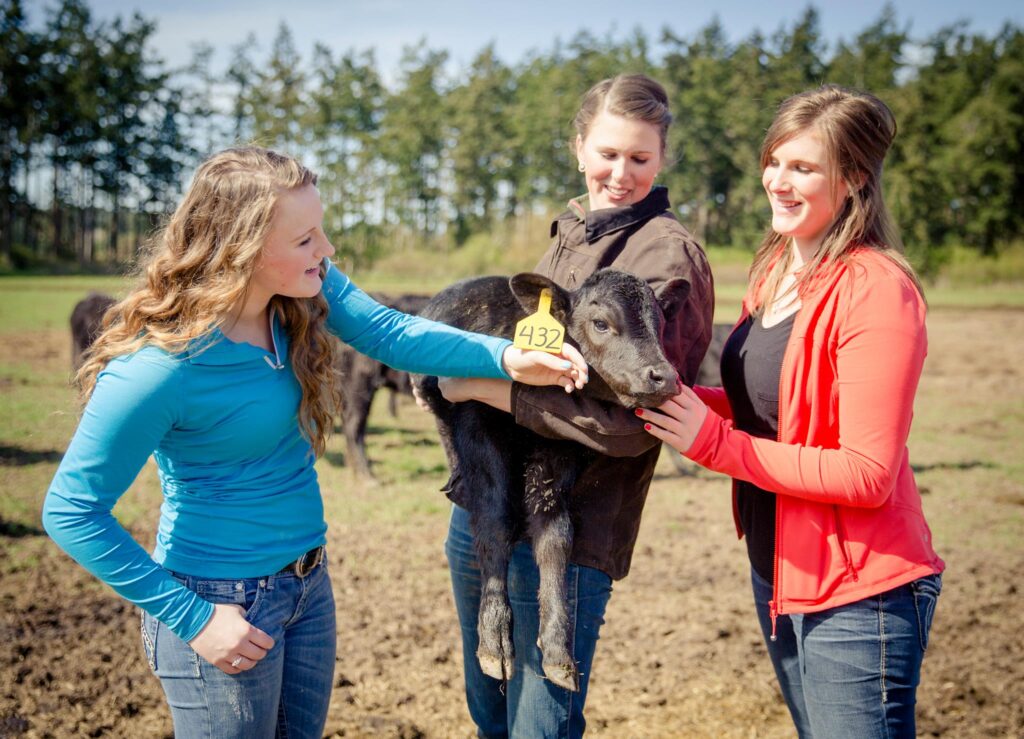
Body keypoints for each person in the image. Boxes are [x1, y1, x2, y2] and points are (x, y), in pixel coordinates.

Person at [41, 146, 590, 739]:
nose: (325, 250)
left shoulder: (303, 296)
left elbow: (391, 331)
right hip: (218, 605)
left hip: (306, 590)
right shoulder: (159, 369)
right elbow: (71, 511)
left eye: (320, 230)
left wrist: (508, 357)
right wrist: (194, 620)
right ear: (242, 248)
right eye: (305, 239)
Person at [638, 85, 945, 738]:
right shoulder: (776, 270)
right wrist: (670, 400)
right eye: (774, 161)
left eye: (803, 167)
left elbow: (866, 472)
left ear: (855, 177)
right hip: (780, 568)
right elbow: (772, 412)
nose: (778, 181)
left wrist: (714, 443)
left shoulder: (877, 288)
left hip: (860, 593)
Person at [435, 74, 714, 738]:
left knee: (539, 721)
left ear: (662, 158)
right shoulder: (569, 230)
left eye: (640, 158)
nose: (620, 173)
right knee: (490, 710)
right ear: (579, 146)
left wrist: (482, 387)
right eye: (608, 153)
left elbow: (635, 420)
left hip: (573, 524)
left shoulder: (666, 257)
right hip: (487, 506)